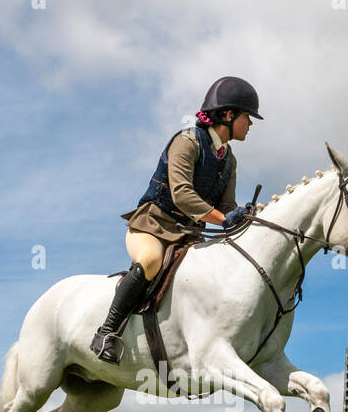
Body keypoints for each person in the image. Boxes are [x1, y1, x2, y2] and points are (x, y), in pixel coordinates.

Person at [90, 76, 263, 363]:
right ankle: (107, 332)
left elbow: (227, 207)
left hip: (188, 236)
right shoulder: (187, 142)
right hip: (152, 226)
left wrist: (240, 216)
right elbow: (182, 194)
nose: (251, 124)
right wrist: (223, 218)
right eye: (247, 116)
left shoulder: (229, 159)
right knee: (150, 261)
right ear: (229, 115)